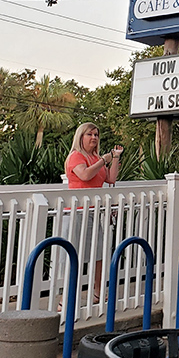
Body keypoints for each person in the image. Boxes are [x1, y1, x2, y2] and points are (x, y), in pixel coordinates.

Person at [62, 123, 122, 305]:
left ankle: (97, 293)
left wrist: (115, 159)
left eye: (96, 134)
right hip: (77, 212)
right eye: (90, 134)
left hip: (94, 212)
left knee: (98, 254)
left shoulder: (95, 157)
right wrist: (104, 160)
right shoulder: (76, 156)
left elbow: (110, 179)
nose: (94, 138)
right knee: (75, 255)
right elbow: (85, 175)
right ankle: (66, 299)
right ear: (81, 137)